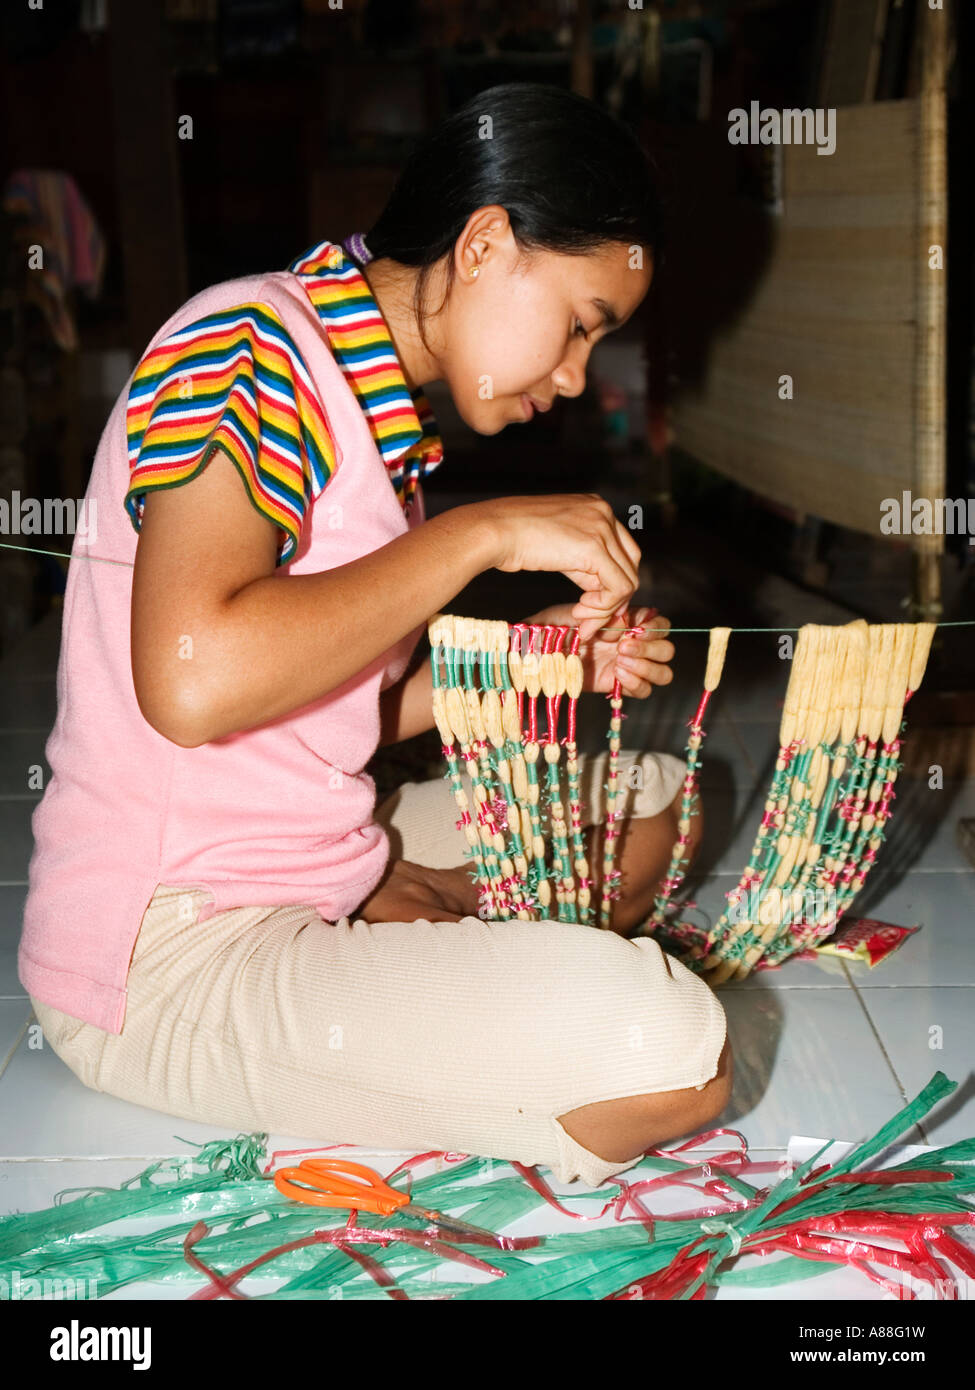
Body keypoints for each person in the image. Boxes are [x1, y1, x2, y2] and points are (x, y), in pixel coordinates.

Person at [20, 82, 730, 1187]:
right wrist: (486, 535)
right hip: (168, 952)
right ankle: (406, 946)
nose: (578, 376)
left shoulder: (372, 414)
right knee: (675, 1051)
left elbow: (326, 710)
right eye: (582, 324)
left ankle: (388, 918)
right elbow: (195, 682)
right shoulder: (242, 346)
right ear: (486, 245)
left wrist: (541, 658)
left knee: (656, 798)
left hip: (306, 848)